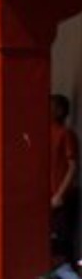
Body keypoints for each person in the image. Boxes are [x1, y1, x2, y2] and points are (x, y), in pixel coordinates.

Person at [49, 94, 78, 251]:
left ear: (60, 111)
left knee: (62, 243)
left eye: (52, 106)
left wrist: (60, 194)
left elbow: (72, 166)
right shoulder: (43, 133)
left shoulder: (65, 134)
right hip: (47, 197)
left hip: (61, 198)